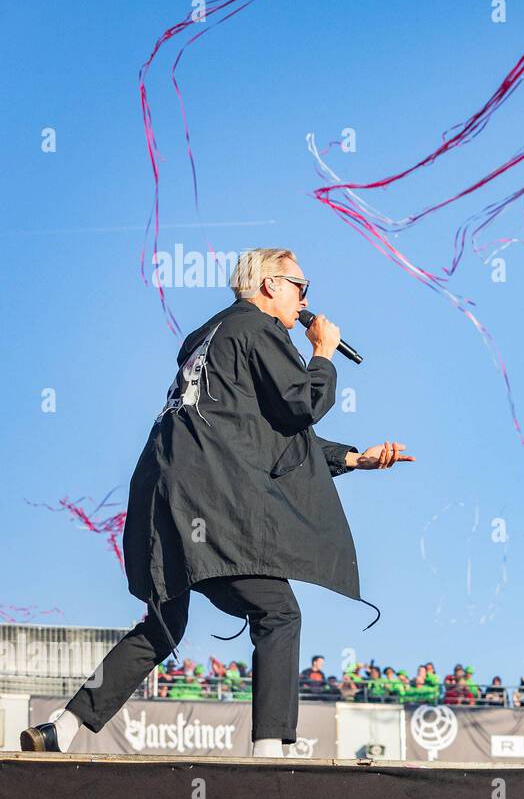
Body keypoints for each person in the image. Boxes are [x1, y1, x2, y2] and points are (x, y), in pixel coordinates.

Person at [21, 249, 414, 757]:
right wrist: (323, 354)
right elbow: (301, 405)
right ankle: (269, 752)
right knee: (278, 612)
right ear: (271, 285)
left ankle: (64, 725)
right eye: (302, 285)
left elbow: (260, 436)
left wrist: (355, 458)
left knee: (165, 625)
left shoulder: (211, 340)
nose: (307, 298)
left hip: (163, 498)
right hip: (210, 498)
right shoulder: (258, 329)